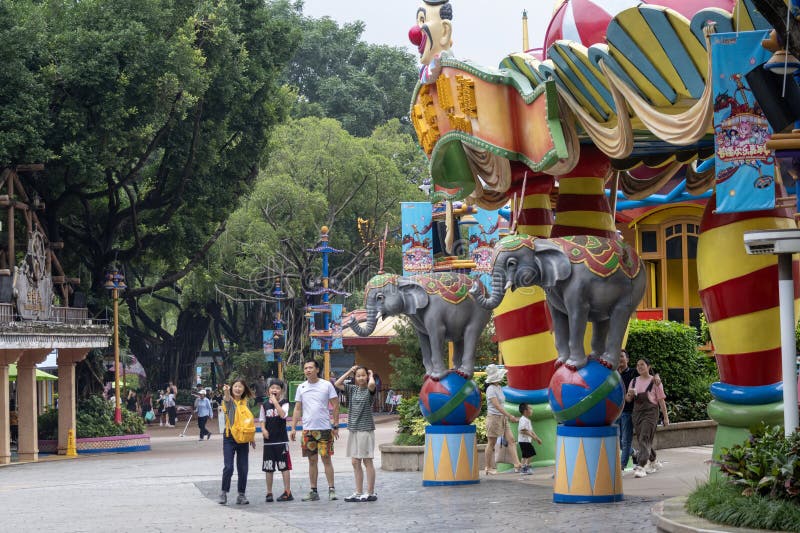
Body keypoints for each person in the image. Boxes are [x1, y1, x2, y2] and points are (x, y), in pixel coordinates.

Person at [290, 359, 340, 502]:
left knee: (326, 459)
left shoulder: (326, 385)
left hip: (324, 428)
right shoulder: (301, 387)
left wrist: (335, 425)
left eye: (311, 367)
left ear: (317, 369)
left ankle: (331, 489)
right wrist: (293, 427)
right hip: (308, 430)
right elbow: (297, 408)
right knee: (312, 461)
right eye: (305, 368)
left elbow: (335, 405)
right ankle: (313, 491)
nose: (308, 370)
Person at [335, 365, 378, 502]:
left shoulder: (370, 390)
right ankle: (358, 492)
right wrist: (349, 371)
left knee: (367, 461)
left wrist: (371, 374)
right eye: (358, 376)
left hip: (365, 429)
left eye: (363, 375)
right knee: (355, 462)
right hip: (353, 429)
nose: (360, 378)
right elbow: (337, 383)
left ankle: (370, 492)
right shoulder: (352, 389)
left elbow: (371, 384)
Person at [627, 358, 669, 478]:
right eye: (638, 365)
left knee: (644, 437)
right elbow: (628, 399)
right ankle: (653, 460)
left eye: (642, 365)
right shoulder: (633, 381)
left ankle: (641, 466)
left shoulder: (655, 382)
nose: (639, 367)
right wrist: (629, 394)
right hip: (637, 413)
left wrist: (665, 417)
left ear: (648, 367)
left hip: (651, 413)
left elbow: (661, 401)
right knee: (642, 439)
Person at [219, 379, 256, 505]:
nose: (238, 389)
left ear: (244, 389)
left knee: (243, 468)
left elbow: (248, 421)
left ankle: (241, 494)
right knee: (229, 467)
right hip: (229, 437)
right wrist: (226, 392)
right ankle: (224, 492)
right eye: (235, 386)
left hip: (243, 438)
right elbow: (227, 399)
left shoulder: (246, 403)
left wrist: (252, 437)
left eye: (240, 387)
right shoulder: (229, 401)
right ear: (232, 388)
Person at [484, 364, 522, 474]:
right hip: (494, 418)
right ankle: (488, 467)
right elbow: (497, 406)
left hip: (503, 418)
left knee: (511, 440)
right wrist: (510, 415)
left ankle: (517, 464)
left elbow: (501, 405)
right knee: (491, 443)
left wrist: (506, 416)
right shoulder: (491, 389)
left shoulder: (498, 387)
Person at [260, 379, 293, 502]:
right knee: (268, 467)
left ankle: (287, 492)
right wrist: (263, 429)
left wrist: (275, 402)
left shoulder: (284, 402)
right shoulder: (264, 405)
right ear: (268, 390)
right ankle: (269, 492)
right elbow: (262, 419)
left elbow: (283, 415)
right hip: (269, 442)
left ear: (281, 390)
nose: (274, 390)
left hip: (281, 441)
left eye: (277, 388)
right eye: (272, 388)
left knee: (284, 467)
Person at [617, 349, 637, 470]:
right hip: (616, 412)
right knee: (619, 440)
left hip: (628, 411)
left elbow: (648, 374)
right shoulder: (614, 375)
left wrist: (656, 376)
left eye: (622, 356)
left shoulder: (634, 373)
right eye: (617, 357)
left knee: (625, 440)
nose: (619, 359)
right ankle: (634, 453)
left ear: (627, 359)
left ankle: (622, 465)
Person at [516, 403, 542, 475]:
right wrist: (534, 438)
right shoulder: (523, 420)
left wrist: (537, 438)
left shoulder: (527, 420)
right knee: (530, 454)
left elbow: (531, 431)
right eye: (530, 409)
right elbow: (523, 430)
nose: (532, 410)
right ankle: (524, 468)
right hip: (524, 441)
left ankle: (525, 468)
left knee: (526, 455)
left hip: (526, 441)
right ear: (525, 411)